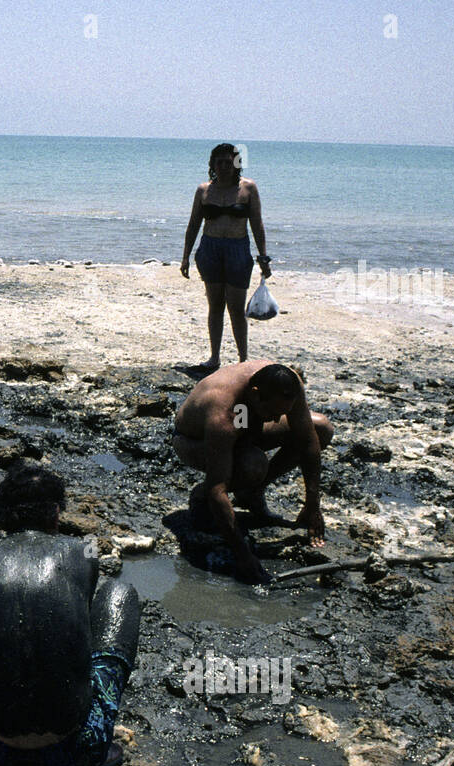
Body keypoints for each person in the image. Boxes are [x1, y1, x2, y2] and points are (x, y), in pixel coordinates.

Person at [0, 461, 140, 766]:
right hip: (79, 751)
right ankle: (92, 735)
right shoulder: (81, 553)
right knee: (120, 591)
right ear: (56, 513)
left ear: (1, 515)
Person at [172, 361, 333, 585]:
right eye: (273, 413)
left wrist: (313, 504)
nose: (277, 420)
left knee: (321, 428)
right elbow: (218, 490)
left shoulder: (288, 384)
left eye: (282, 414)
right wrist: (243, 554)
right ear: (256, 395)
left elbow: (307, 441)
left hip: (247, 417)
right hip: (194, 441)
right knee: (252, 464)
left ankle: (251, 492)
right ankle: (200, 495)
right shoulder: (223, 410)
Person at [179, 143, 272, 372]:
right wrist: (185, 257)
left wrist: (263, 257)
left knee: (236, 308)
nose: (223, 166)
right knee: (215, 306)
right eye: (219, 162)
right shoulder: (204, 190)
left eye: (228, 162)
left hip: (237, 250)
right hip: (209, 249)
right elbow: (193, 225)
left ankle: (243, 359)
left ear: (236, 163)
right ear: (212, 165)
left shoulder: (248, 189)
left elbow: (257, 225)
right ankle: (214, 358)